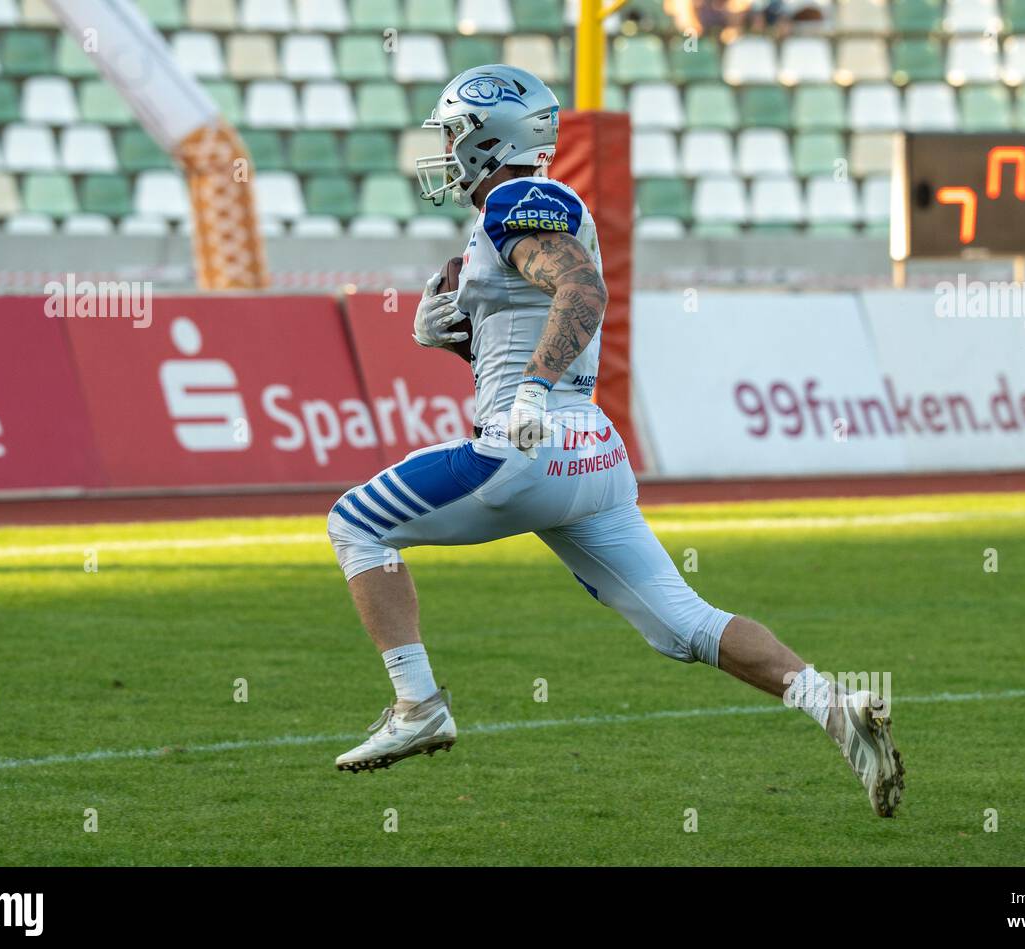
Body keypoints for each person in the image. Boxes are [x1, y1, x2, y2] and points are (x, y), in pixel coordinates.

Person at [326, 65, 903, 817]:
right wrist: (459, 342)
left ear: (486, 136)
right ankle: (835, 706)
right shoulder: (519, 211)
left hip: (531, 443)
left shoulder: (515, 198)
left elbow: (582, 291)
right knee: (687, 625)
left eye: (451, 131)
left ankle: (418, 705)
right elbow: (527, 323)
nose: (442, 147)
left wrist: (530, 388)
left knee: (356, 522)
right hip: (590, 455)